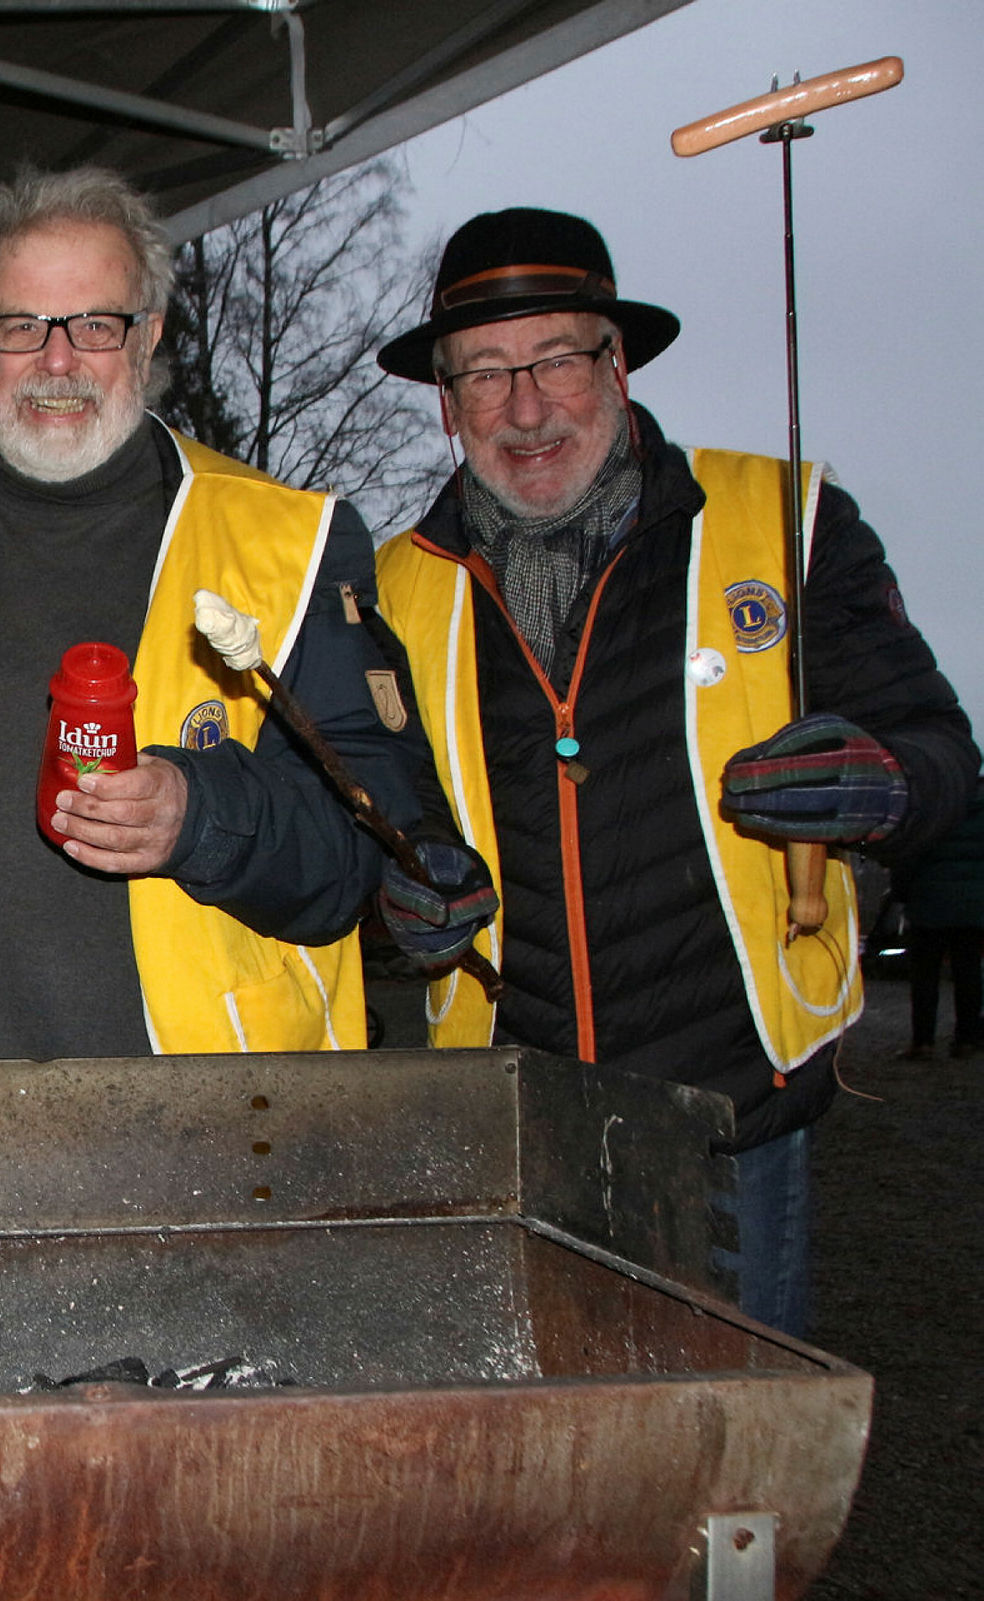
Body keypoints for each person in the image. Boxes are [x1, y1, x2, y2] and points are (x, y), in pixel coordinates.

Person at [370, 207, 978, 1337]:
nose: (527, 406)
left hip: (727, 1112)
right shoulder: (390, 589)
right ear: (446, 405)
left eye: (557, 358)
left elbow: (944, 754)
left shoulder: (786, 525)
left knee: (729, 1482)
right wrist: (395, 903)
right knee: (551, 1476)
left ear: (620, 361)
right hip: (509, 1121)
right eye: (487, 374)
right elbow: (364, 832)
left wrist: (879, 783)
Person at [0, 166, 459, 1060]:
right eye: (21, 326)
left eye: (95, 324)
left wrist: (200, 818)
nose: (56, 361)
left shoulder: (285, 537)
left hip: (195, 1126)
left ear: (149, 333)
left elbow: (366, 844)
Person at [892, 783, 984, 1060]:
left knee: (924, 975)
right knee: (968, 973)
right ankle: (966, 1039)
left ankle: (923, 1042)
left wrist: (902, 893)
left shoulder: (931, 808)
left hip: (929, 901)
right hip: (973, 905)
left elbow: (909, 855)